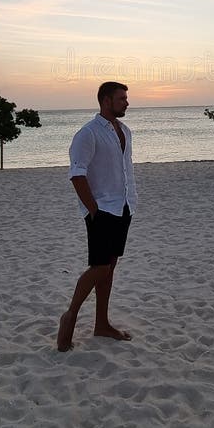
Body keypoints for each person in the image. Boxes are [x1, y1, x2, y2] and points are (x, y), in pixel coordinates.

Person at [57, 81, 138, 352]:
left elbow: (123, 170)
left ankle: (102, 323)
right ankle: (70, 315)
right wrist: (93, 210)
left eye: (126, 98)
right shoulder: (88, 134)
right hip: (101, 209)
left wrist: (130, 202)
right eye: (121, 98)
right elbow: (76, 174)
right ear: (106, 100)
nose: (127, 102)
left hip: (123, 205)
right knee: (100, 267)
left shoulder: (124, 130)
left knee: (110, 267)